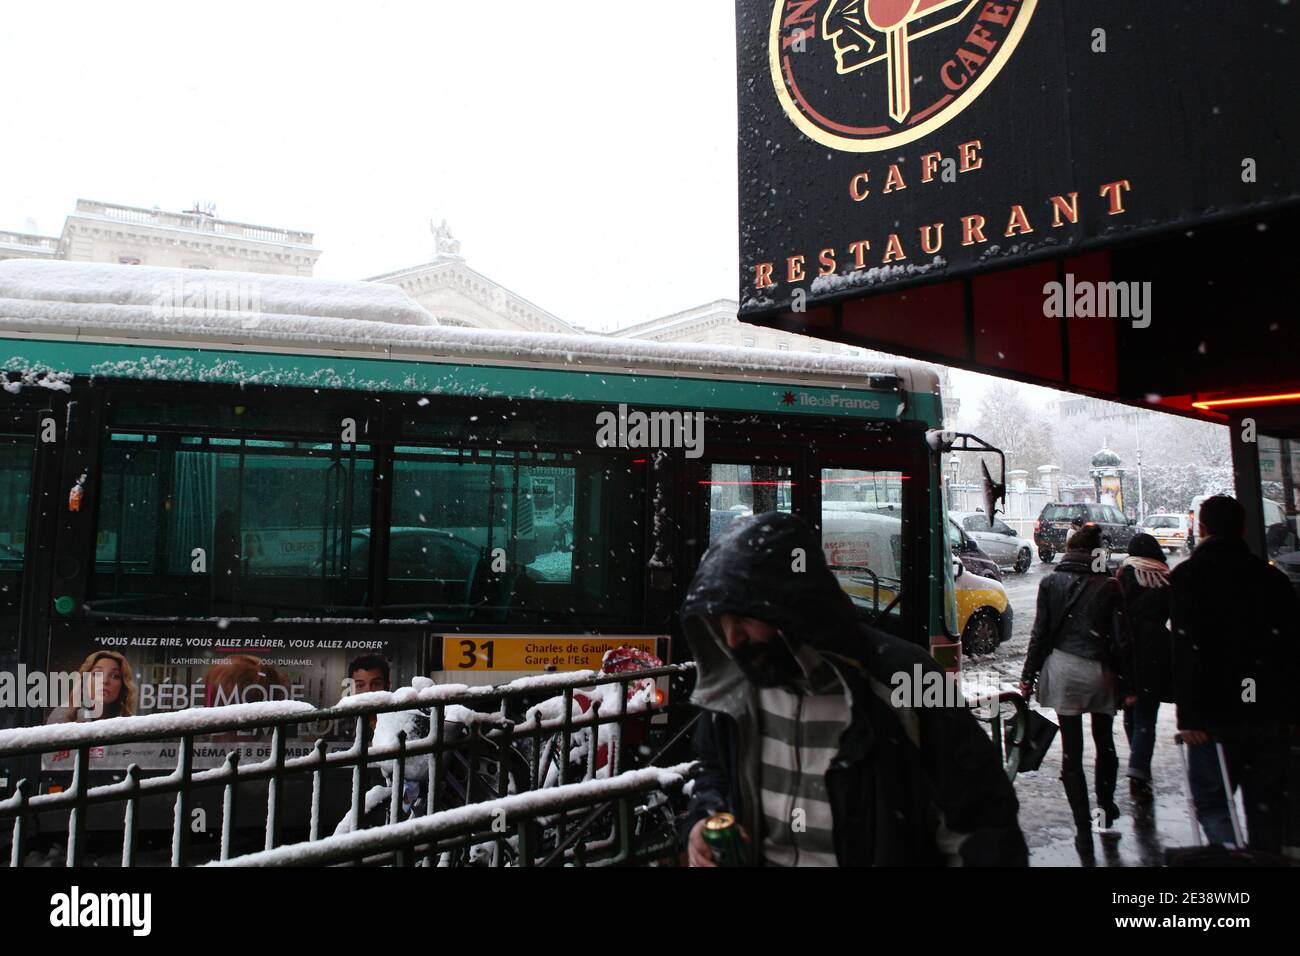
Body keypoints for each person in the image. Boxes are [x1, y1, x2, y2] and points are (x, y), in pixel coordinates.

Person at [681, 512, 1026, 867]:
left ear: (791, 607)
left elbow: (983, 821)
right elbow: (713, 770)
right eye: (720, 620)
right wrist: (705, 819)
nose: (731, 638)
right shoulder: (736, 683)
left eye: (744, 617)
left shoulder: (908, 677)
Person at [1170, 495, 1299, 852]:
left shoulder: (1188, 577)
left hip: (1212, 714)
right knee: (1266, 803)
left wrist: (1190, 716)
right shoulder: (1272, 579)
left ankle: (1229, 858)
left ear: (1202, 528)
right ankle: (1263, 859)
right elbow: (1289, 650)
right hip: (1265, 709)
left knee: (1213, 802)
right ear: (1243, 527)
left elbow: (1185, 650)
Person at [1019, 522, 1130, 855]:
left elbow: (1039, 635)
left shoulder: (1051, 583)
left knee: (1072, 750)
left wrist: (1027, 677)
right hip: (1100, 670)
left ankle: (1082, 826)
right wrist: (1131, 683)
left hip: (1064, 668)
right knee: (1104, 740)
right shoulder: (1110, 585)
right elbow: (1123, 641)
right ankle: (1105, 808)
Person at [1114, 532, 1173, 804]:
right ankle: (1139, 770)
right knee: (1146, 716)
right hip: (1155, 652)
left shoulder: (1122, 577)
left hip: (1126, 651)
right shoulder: (1164, 579)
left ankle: (1138, 763)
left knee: (1131, 708)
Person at [45, 649, 136, 723]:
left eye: (114, 676)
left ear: (123, 686)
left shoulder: (131, 725)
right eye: (97, 674)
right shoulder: (62, 717)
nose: (104, 681)